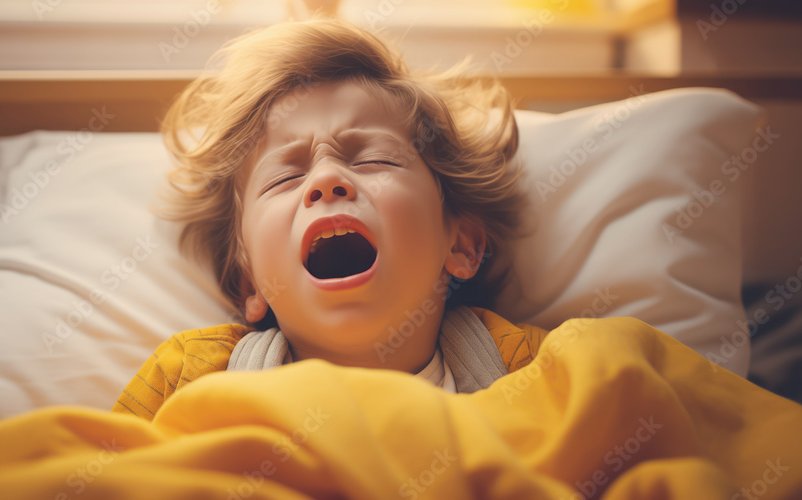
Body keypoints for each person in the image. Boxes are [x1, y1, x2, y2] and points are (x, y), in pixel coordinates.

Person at [112, 17, 547, 420]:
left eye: (375, 159)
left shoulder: (531, 368)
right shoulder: (189, 379)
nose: (325, 179)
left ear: (462, 244)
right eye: (285, 177)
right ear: (250, 283)